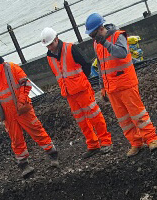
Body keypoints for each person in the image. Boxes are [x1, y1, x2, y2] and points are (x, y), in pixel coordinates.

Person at [85, 13, 157, 158]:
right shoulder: (96, 44)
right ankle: (136, 143)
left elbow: (122, 53)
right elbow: (101, 65)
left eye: (93, 34)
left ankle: (151, 139)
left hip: (126, 84)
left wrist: (105, 43)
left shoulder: (118, 36)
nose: (92, 38)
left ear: (100, 29)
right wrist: (102, 87)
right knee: (124, 120)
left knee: (138, 114)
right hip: (112, 88)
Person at [0, 43, 58, 178]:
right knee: (16, 140)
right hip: (8, 114)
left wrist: (21, 101)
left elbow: (25, 83)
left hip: (22, 108)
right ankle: (24, 164)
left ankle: (53, 154)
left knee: (37, 130)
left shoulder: (11, 67)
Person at [41, 27, 112, 158]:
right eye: (47, 45)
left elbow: (86, 64)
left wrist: (80, 79)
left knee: (94, 116)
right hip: (69, 93)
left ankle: (106, 142)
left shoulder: (70, 48)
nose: (50, 47)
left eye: (51, 44)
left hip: (82, 89)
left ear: (57, 39)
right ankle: (93, 144)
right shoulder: (49, 57)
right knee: (81, 120)